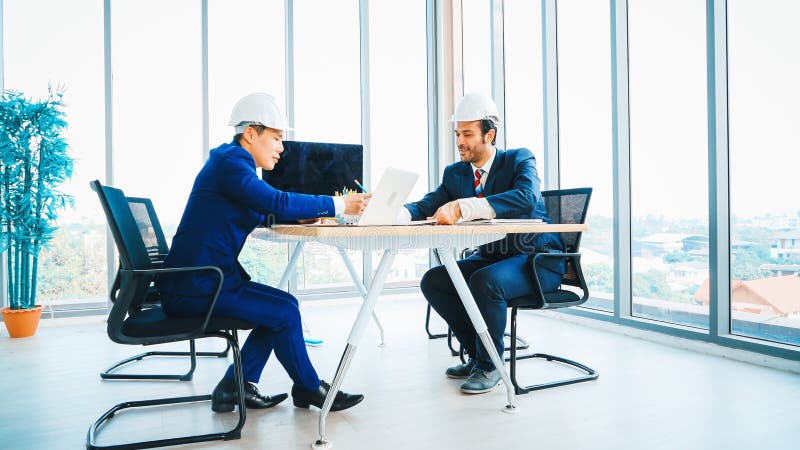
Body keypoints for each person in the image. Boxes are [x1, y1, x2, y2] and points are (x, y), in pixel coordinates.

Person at [156, 93, 369, 413]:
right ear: (251, 134)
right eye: (277, 137)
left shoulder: (230, 165)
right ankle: (310, 390)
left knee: (285, 305)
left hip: (204, 281)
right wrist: (339, 203)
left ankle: (236, 386)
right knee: (281, 313)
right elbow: (275, 201)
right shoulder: (230, 163)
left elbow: (260, 211)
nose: (282, 147)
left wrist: (296, 215)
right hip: (197, 286)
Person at [400, 92, 565, 394]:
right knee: (436, 280)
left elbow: (527, 198)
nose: (459, 141)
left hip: (537, 260)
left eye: (467, 134)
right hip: (492, 257)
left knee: (485, 281)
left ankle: (491, 366)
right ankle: (478, 354)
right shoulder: (455, 174)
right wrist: (394, 213)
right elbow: (427, 205)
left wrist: (465, 207)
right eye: (457, 134)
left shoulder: (518, 159)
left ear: (489, 134)